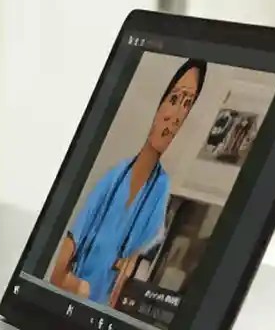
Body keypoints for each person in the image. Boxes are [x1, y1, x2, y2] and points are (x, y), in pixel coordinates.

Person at [49, 59, 208, 308]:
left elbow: (128, 277)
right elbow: (57, 273)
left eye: (187, 107)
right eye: (175, 100)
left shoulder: (161, 188)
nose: (176, 117)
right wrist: (80, 288)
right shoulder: (112, 178)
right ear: (159, 106)